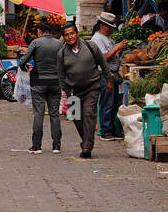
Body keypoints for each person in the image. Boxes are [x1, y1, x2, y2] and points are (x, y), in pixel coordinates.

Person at [57, 22, 106, 159]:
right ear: (64, 38)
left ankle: (87, 148)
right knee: (76, 117)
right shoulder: (61, 54)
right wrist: (66, 90)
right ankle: (86, 140)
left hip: (92, 86)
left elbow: (103, 63)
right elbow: (61, 75)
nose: (70, 37)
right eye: (66, 35)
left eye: (72, 33)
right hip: (73, 90)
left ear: (77, 33)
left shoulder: (90, 46)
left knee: (89, 114)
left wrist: (109, 80)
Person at [17, 20, 64, 154]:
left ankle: (36, 146)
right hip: (55, 83)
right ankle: (56, 146)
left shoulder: (36, 43)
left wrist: (26, 67)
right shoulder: (59, 44)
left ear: (40, 31)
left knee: (39, 114)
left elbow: (22, 61)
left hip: (38, 82)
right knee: (54, 114)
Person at [90, 13, 129, 142]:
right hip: (105, 75)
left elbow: (112, 55)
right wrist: (117, 47)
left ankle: (112, 129)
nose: (111, 29)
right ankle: (105, 131)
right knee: (107, 103)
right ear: (102, 25)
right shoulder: (97, 39)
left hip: (112, 74)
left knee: (114, 103)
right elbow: (103, 57)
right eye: (109, 27)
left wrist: (119, 50)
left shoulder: (107, 38)